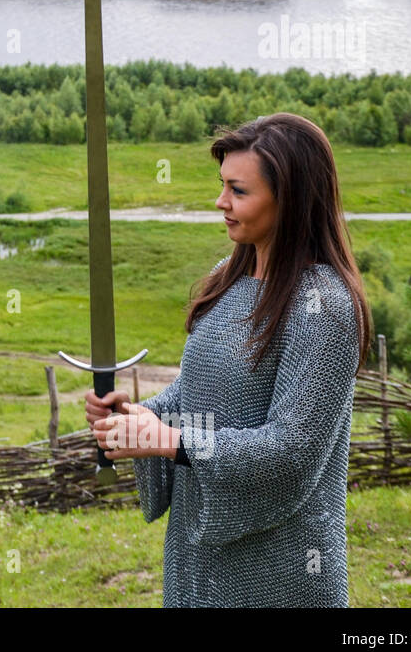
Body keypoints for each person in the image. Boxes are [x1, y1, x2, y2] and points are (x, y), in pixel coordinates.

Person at [85, 112, 372, 607]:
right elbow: (200, 392)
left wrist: (171, 442)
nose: (221, 203)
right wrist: (140, 416)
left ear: (292, 199)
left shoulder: (324, 307)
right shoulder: (229, 276)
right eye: (222, 186)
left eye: (239, 191)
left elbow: (292, 450)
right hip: (198, 556)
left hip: (281, 569)